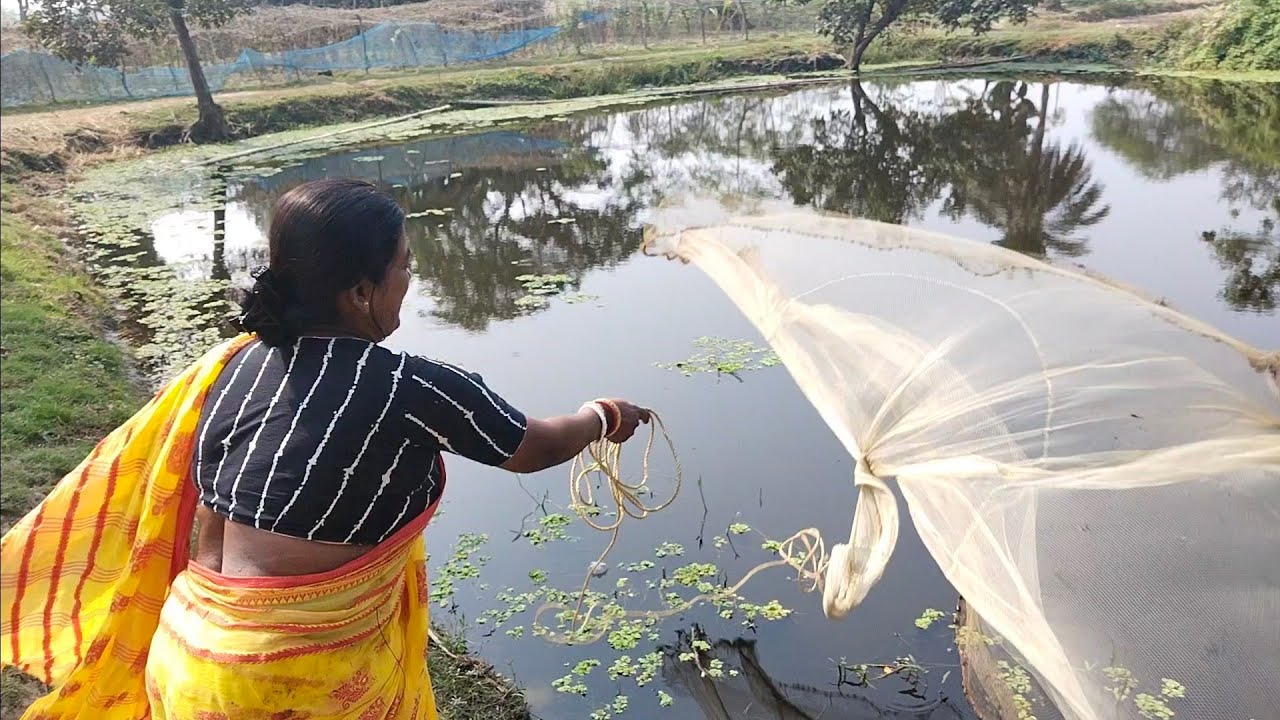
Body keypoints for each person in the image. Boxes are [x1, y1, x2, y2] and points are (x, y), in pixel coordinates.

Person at [0, 178, 649, 720]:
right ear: (361, 291)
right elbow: (532, 446)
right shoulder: (410, 387)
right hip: (293, 685)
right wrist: (603, 416)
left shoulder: (231, 370)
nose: (410, 281)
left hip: (185, 661)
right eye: (404, 267)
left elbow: (207, 524)